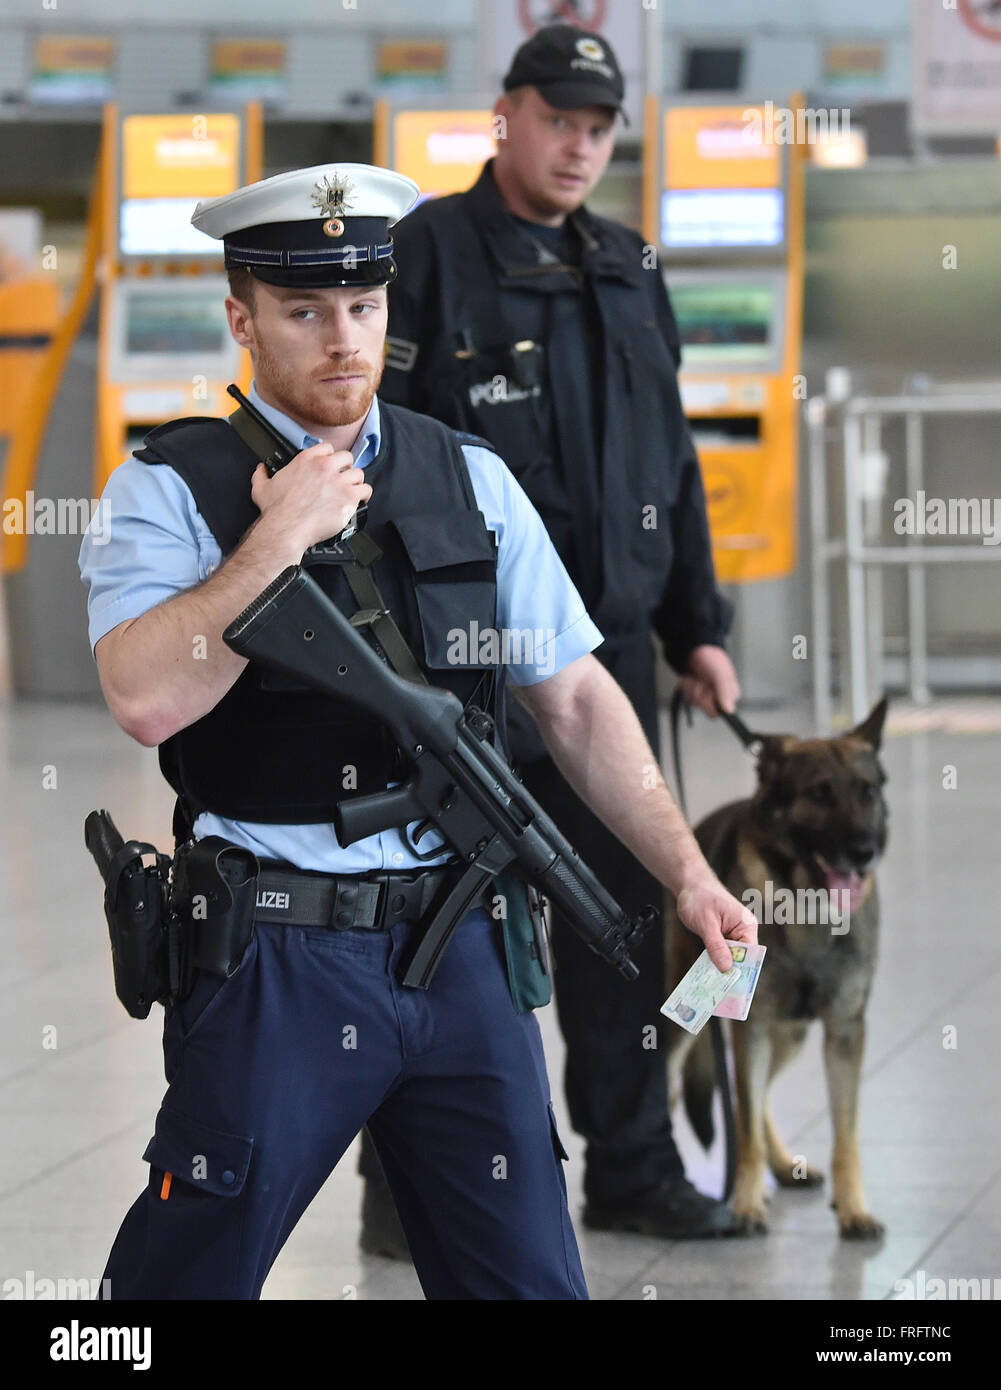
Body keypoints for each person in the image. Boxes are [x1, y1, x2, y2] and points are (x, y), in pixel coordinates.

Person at [78, 161, 756, 1301]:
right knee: (175, 1289)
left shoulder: (470, 478)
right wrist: (272, 545)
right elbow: (145, 696)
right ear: (240, 318)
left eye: (363, 305)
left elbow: (578, 699)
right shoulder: (170, 488)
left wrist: (684, 876)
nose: (342, 339)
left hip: (458, 953)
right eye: (303, 310)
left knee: (529, 1283)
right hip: (274, 961)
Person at [374, 23, 742, 1247]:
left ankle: (633, 1169)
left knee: (628, 925)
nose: (581, 145)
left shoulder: (628, 262)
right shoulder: (426, 251)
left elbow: (671, 454)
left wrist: (697, 623)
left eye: (600, 127)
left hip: (614, 654)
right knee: (439, 928)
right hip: (461, 666)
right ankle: (406, 1191)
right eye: (560, 119)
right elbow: (377, 453)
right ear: (506, 116)